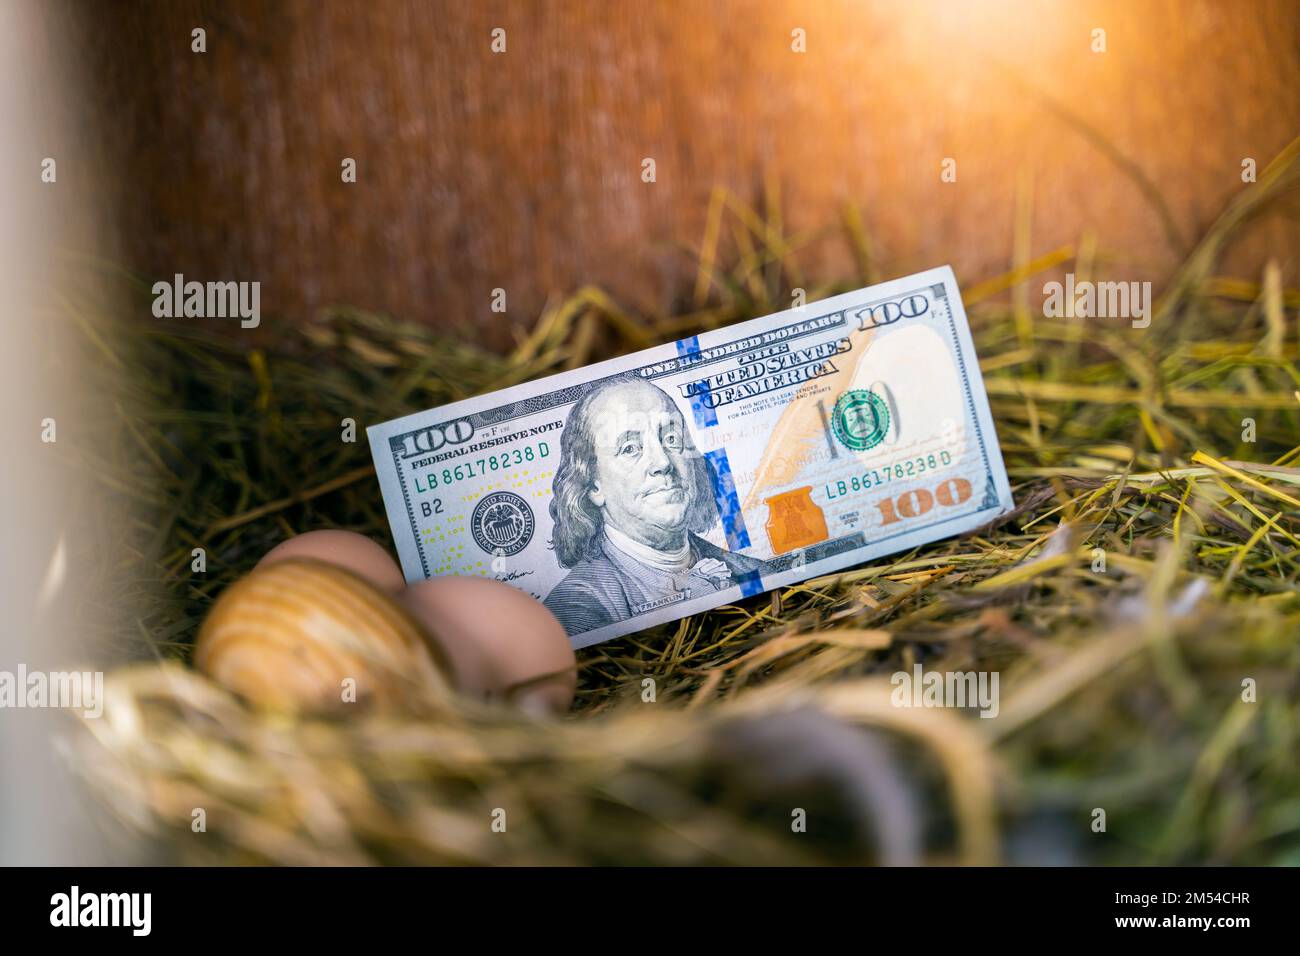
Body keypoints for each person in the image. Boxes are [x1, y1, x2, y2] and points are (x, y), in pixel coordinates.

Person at [543, 374, 770, 635]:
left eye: (672, 439)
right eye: (630, 448)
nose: (663, 462)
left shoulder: (755, 572)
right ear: (594, 486)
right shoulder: (574, 613)